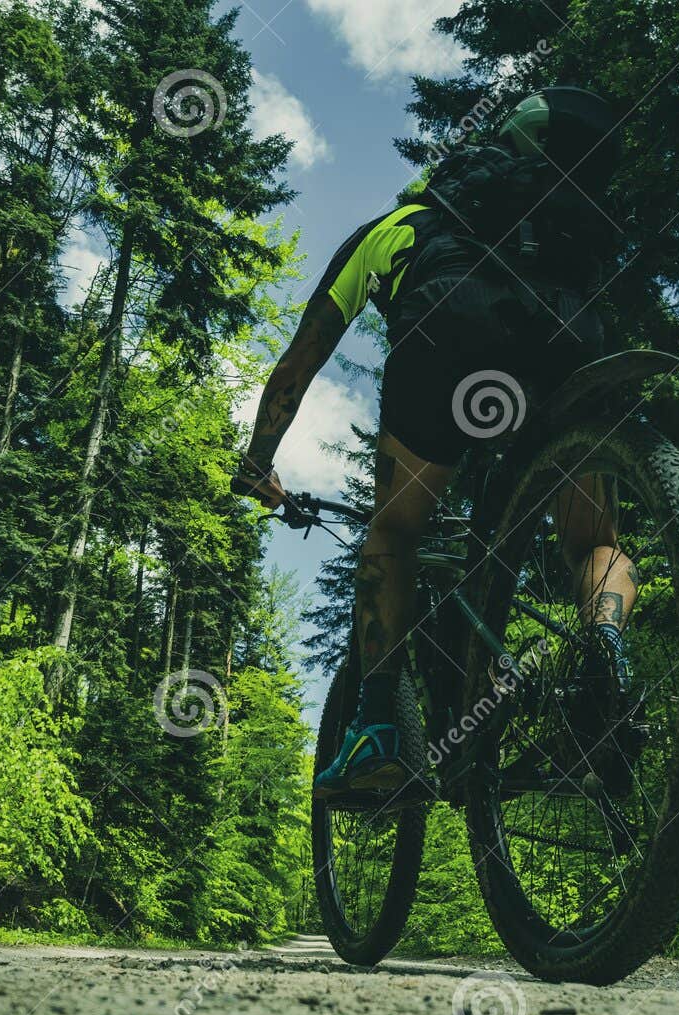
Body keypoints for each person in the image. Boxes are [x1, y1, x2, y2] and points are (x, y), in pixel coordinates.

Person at [233, 87, 640, 797]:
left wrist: (258, 463)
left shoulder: (395, 228)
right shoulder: (554, 230)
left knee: (395, 528)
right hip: (568, 335)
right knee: (593, 538)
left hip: (451, 330)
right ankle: (605, 651)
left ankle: (379, 731)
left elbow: (299, 365)